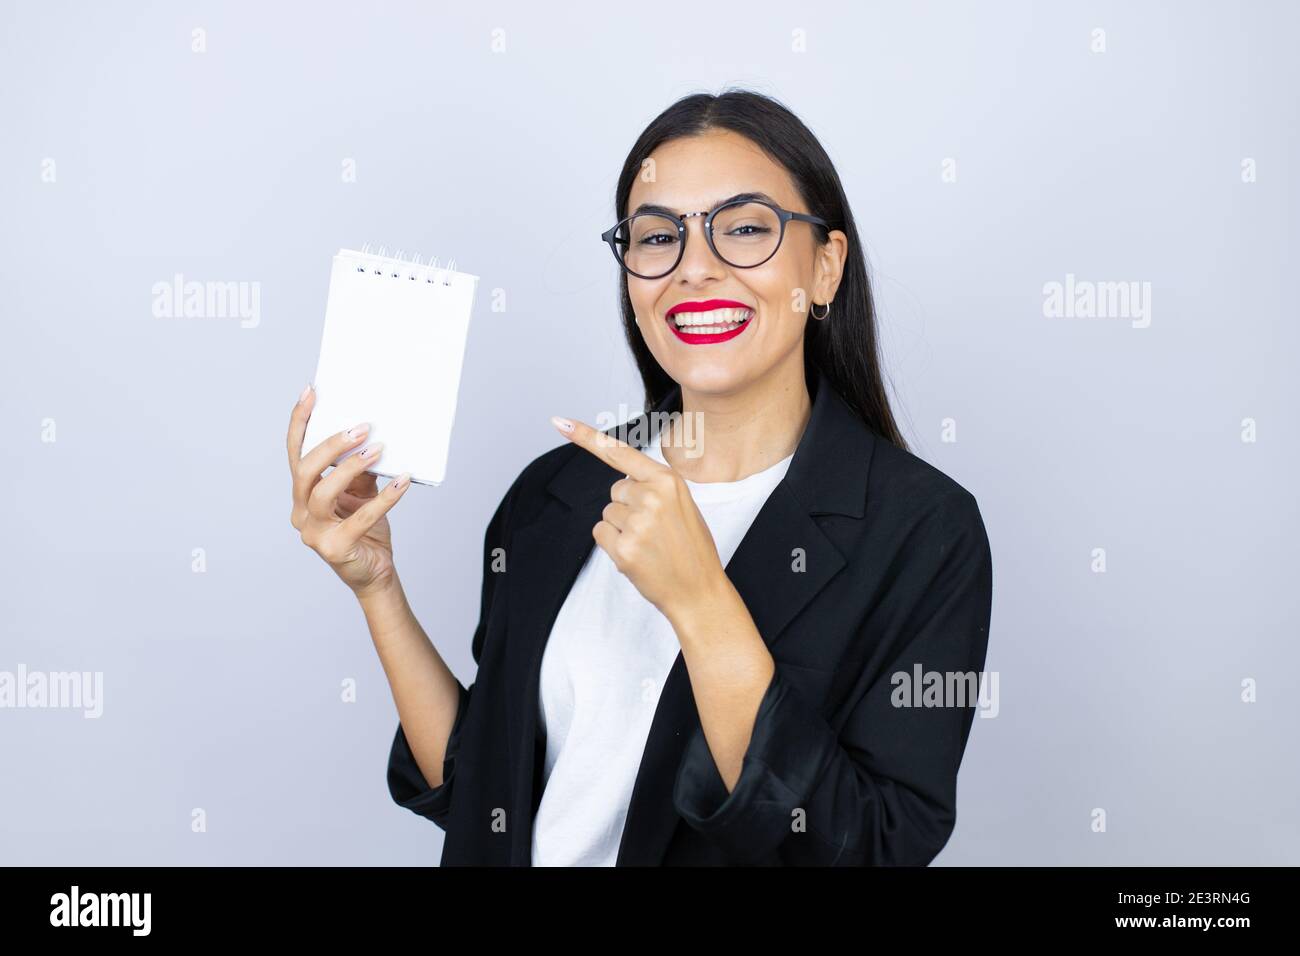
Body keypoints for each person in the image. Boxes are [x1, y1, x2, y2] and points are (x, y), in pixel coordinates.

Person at [286, 88, 993, 866]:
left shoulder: (923, 531)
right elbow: (479, 788)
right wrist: (377, 586)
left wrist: (701, 601)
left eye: (746, 228)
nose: (695, 269)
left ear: (825, 268)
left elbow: (864, 849)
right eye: (658, 238)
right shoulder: (553, 493)